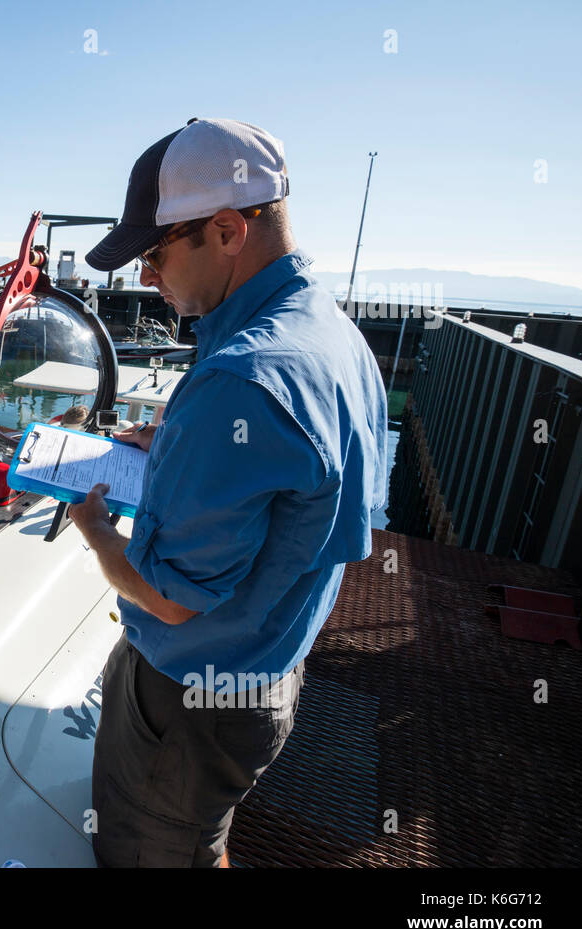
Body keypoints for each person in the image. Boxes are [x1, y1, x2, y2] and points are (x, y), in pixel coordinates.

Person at [66, 118, 387, 868]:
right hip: (266, 668)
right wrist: (176, 439)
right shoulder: (332, 335)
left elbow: (170, 596)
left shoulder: (240, 379)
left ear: (226, 230)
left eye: (153, 251)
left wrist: (93, 526)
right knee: (198, 835)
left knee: (151, 849)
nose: (145, 276)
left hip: (190, 705)